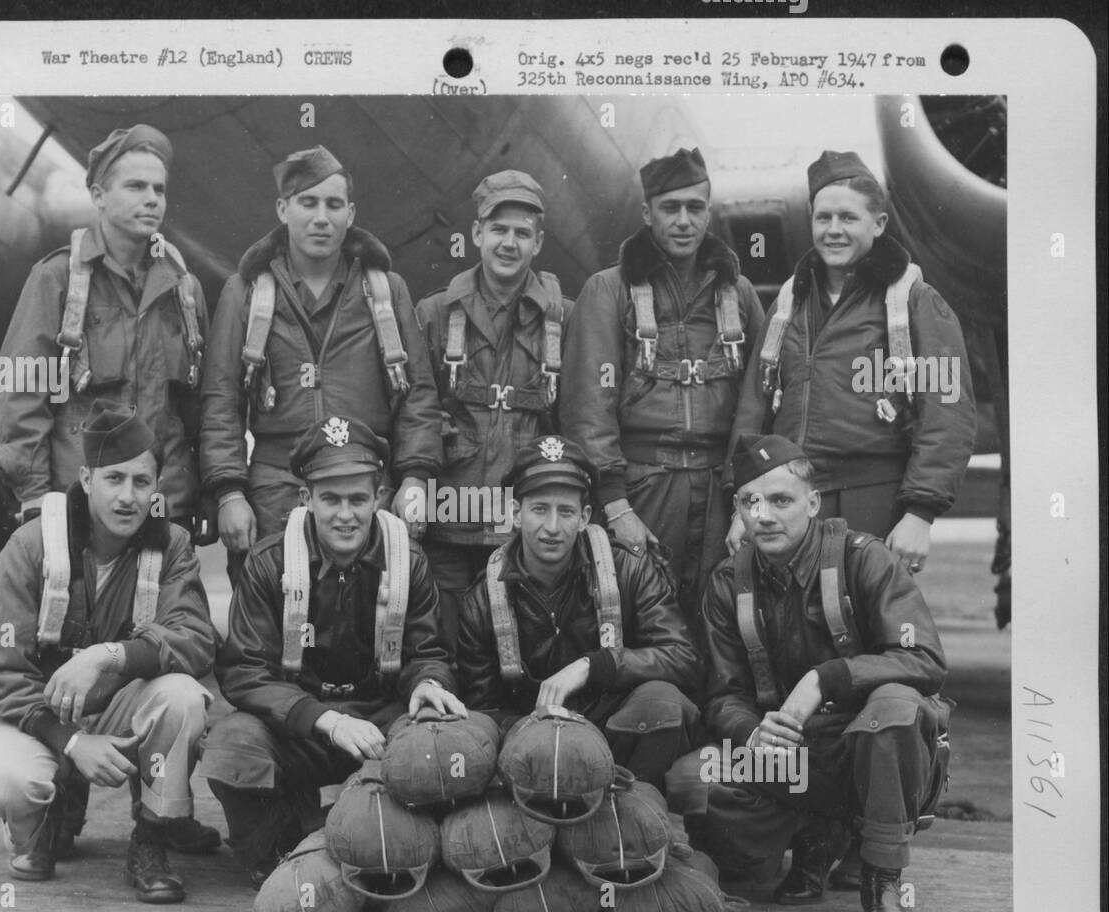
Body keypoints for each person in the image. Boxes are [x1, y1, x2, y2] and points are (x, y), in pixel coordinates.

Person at [668, 434, 951, 912]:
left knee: (893, 708)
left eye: (780, 500)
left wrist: (827, 678)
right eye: (750, 502)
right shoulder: (729, 582)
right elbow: (721, 694)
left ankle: (881, 877)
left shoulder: (864, 559)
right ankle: (818, 835)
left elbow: (925, 659)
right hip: (794, 758)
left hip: (869, 749)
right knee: (697, 780)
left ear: (813, 502)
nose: (764, 515)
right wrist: (752, 731)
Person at [0, 402, 218, 903]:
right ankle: (43, 819)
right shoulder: (32, 545)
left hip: (120, 709)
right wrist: (72, 743)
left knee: (183, 698)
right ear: (85, 477)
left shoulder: (172, 547)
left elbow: (194, 637)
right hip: (43, 711)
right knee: (7, 777)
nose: (128, 497)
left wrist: (109, 655)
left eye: (142, 482)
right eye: (114, 479)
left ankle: (151, 838)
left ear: (156, 487)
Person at [201, 415, 465, 887]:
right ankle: (284, 846)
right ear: (306, 500)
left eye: (358, 499)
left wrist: (428, 682)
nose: (346, 515)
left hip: (380, 723)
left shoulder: (408, 561)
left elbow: (429, 651)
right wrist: (325, 719)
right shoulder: (269, 563)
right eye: (331, 500)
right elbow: (243, 670)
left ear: (380, 498)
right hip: (300, 725)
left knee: (436, 744)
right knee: (230, 745)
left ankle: (366, 839)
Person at [198, 145, 442, 581]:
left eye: (333, 205)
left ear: (350, 213)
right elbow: (221, 399)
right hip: (274, 490)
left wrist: (416, 478)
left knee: (370, 620)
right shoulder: (246, 293)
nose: (321, 217)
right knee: (269, 622)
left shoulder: (387, 291)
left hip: (366, 489)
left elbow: (418, 394)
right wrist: (229, 493)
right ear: (282, 208)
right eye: (307, 203)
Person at [726, 149, 976, 577]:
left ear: (878, 224)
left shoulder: (915, 301)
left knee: (874, 633)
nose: (833, 230)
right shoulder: (788, 304)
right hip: (794, 500)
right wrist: (746, 502)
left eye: (848, 218)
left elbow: (948, 411)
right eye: (823, 218)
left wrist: (920, 513)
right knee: (796, 636)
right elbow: (754, 408)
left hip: (875, 498)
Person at [561, 147, 764, 623]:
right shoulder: (608, 291)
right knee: (639, 620)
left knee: (722, 624)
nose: (683, 221)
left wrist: (746, 499)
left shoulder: (740, 295)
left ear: (709, 213)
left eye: (695, 208)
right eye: (670, 209)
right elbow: (588, 407)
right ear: (647, 213)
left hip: (721, 490)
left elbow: (756, 401)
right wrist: (615, 507)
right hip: (643, 490)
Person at [0, 124, 211, 539]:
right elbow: (21, 393)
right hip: (80, 511)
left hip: (166, 513)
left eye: (159, 190)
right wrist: (36, 498)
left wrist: (209, 492)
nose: (151, 199)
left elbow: (203, 409)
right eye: (135, 186)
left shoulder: (185, 290)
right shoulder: (56, 280)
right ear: (98, 196)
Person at [456, 435, 703, 789]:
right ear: (514, 513)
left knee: (661, 704)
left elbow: (683, 658)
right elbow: (483, 711)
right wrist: (540, 730)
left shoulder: (627, 569)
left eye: (566, 511)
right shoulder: (483, 599)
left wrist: (596, 665)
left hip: (616, 731)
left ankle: (633, 802)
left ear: (585, 516)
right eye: (539, 509)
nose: (553, 528)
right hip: (534, 743)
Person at [414, 170, 571, 651]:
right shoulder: (436, 314)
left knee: (518, 647)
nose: (509, 243)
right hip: (449, 515)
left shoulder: (564, 317)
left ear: (538, 242)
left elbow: (575, 418)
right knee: (445, 642)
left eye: (522, 233)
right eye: (498, 229)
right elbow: (416, 406)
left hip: (522, 519)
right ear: (477, 233)